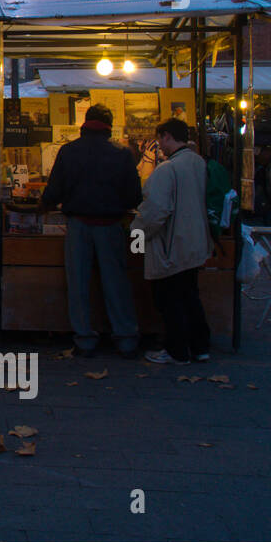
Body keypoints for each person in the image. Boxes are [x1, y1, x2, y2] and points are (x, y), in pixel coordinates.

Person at [40, 104, 144, 358]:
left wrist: (42, 206)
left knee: (78, 284)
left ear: (85, 123)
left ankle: (85, 340)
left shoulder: (68, 151)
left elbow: (53, 192)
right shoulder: (123, 154)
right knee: (116, 283)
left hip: (78, 226)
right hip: (110, 226)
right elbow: (134, 197)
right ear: (109, 126)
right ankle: (126, 338)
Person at [132, 118, 214, 364]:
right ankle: (200, 347)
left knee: (169, 299)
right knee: (190, 296)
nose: (159, 145)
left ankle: (177, 351)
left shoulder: (167, 170)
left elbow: (156, 211)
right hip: (195, 243)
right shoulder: (198, 163)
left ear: (167, 136)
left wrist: (137, 232)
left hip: (171, 244)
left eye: (160, 139)